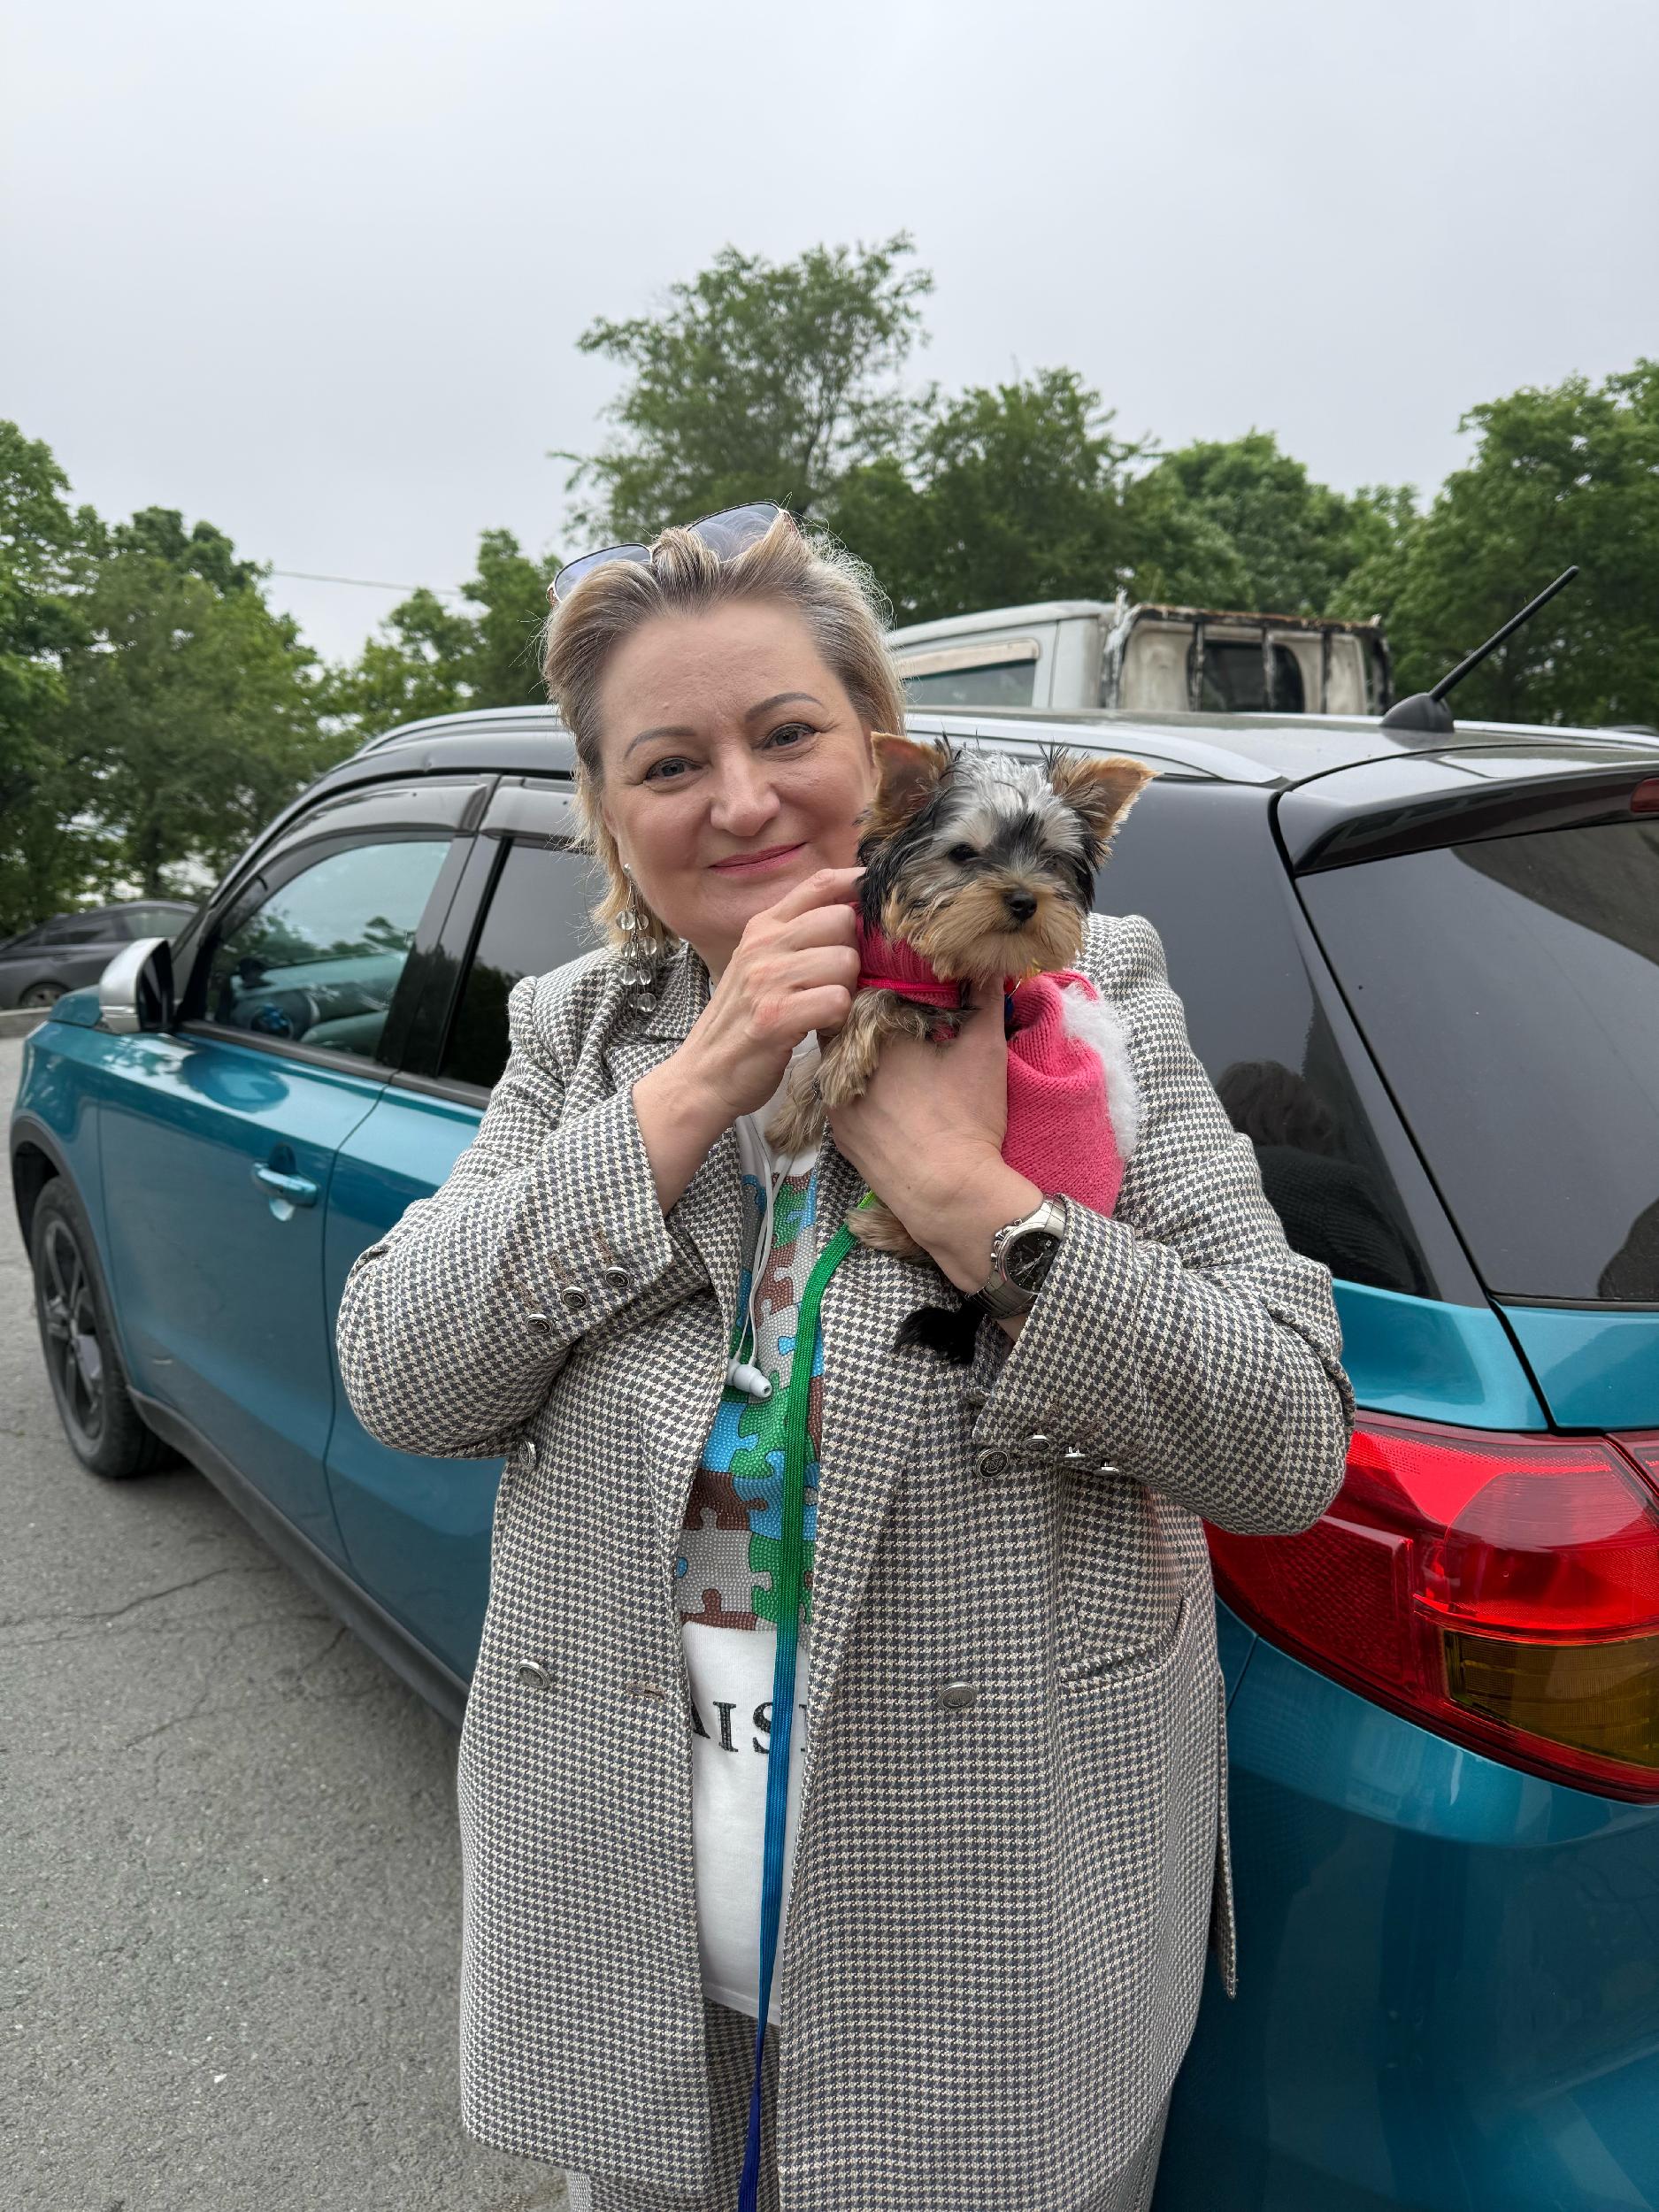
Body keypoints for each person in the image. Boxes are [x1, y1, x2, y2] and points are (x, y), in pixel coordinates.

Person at [334, 503, 1357, 2212]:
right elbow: (403, 1374)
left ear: (882, 762)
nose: (738, 799)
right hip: (644, 1912)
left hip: (994, 1929)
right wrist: (688, 1096)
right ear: (614, 812)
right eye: (669, 761)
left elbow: (1286, 1438)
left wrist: (976, 1196)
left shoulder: (1094, 1003)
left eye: (788, 732)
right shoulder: (577, 1039)